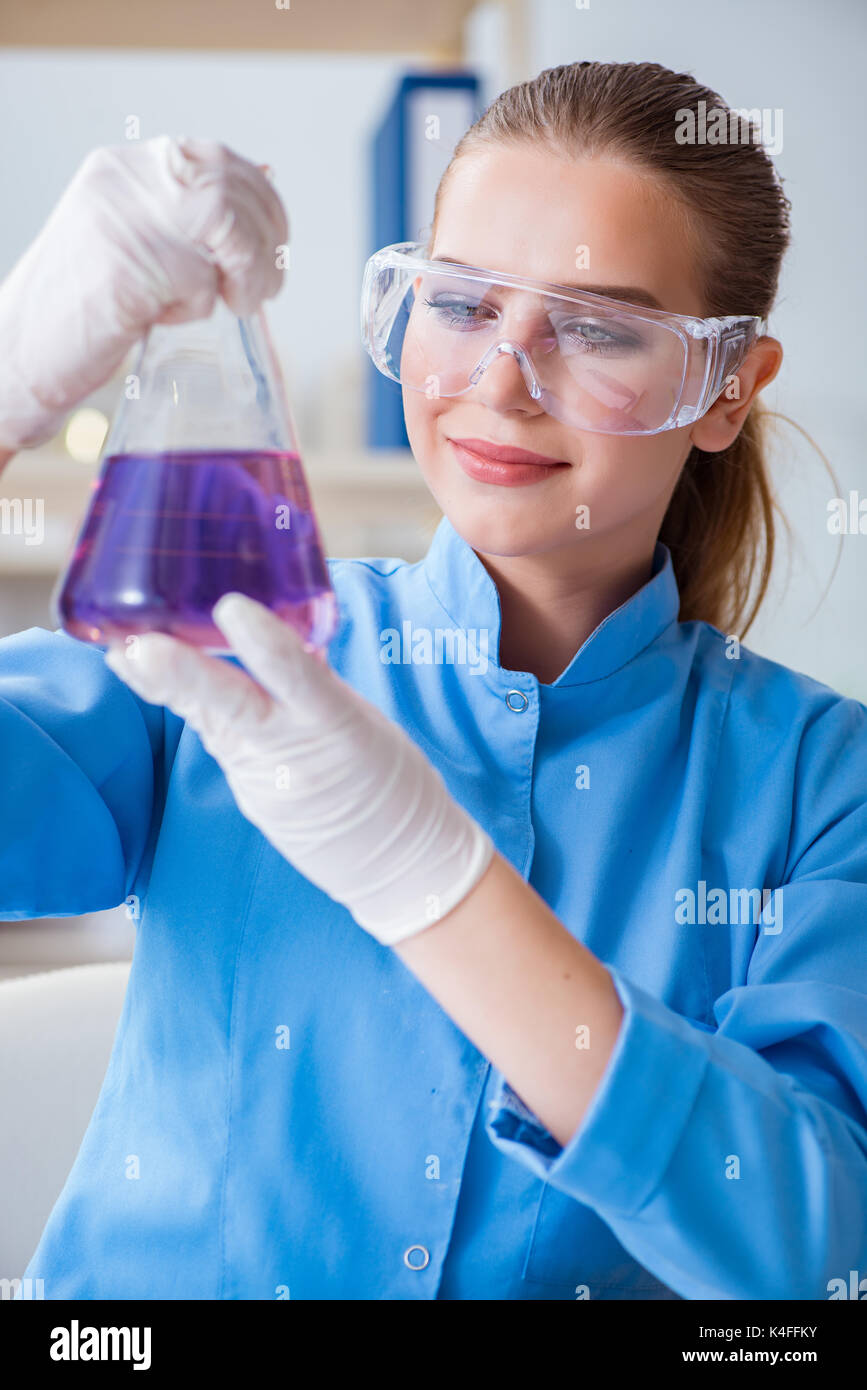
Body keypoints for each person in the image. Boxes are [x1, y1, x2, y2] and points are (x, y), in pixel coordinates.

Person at [3, 60, 867, 1302]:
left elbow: (814, 1247)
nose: (499, 382)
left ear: (727, 388)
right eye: (461, 305)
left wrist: (426, 876)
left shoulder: (822, 784)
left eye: (599, 327)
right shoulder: (230, 638)